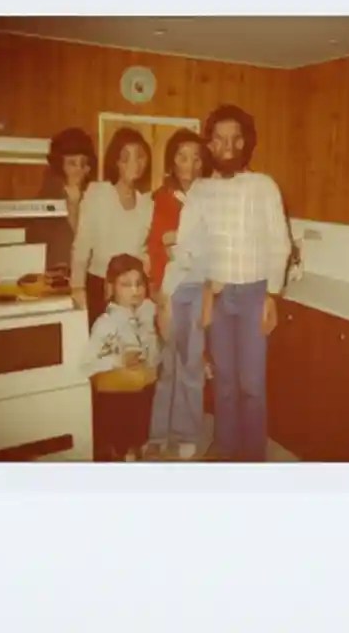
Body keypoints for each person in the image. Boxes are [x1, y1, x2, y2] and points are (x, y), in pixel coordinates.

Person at [178, 104, 290, 462]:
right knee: (224, 381)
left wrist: (272, 294)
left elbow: (279, 242)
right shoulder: (200, 191)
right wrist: (206, 285)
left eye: (235, 138)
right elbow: (188, 244)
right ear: (210, 145)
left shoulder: (263, 186)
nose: (227, 145)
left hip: (256, 294)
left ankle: (254, 456)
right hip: (219, 295)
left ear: (245, 143)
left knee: (252, 385)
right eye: (219, 139)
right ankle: (226, 448)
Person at [144, 128, 211, 460]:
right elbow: (159, 246)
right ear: (173, 160)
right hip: (170, 290)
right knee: (166, 364)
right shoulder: (161, 197)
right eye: (183, 156)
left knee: (191, 362)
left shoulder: (210, 196)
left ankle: (186, 432)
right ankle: (158, 433)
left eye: (197, 157)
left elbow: (207, 248)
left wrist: (179, 241)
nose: (190, 163)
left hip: (198, 288)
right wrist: (158, 292)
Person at [71, 126, 154, 328]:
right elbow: (82, 244)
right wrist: (77, 286)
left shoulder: (147, 203)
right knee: (105, 351)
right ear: (116, 162)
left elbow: (145, 250)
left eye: (140, 157)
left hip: (133, 290)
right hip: (100, 287)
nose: (135, 164)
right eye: (126, 158)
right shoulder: (98, 193)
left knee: (132, 353)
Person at [80, 254, 160, 462]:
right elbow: (86, 366)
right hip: (118, 399)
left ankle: (140, 446)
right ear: (111, 288)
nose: (135, 291)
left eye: (139, 284)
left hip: (145, 391)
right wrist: (118, 361)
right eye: (126, 285)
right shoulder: (105, 324)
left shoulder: (148, 313)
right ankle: (123, 451)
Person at [29, 127, 96, 271]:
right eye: (72, 163)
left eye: (83, 163)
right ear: (59, 165)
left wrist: (75, 205)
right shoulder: (46, 201)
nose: (79, 170)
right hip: (53, 281)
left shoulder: (93, 198)